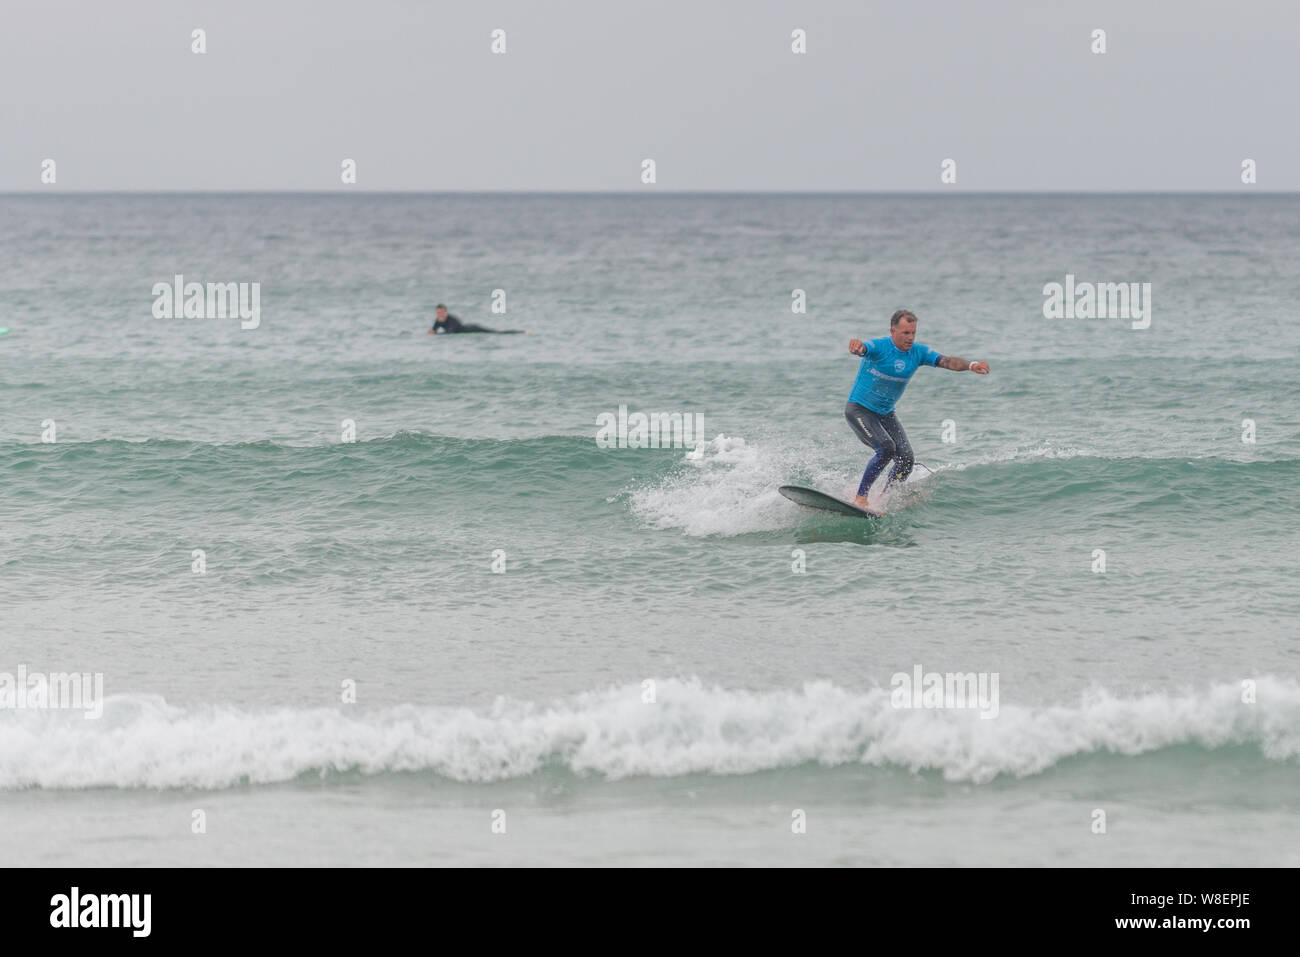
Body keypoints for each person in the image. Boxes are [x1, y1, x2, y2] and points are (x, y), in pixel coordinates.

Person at [846, 309, 989, 511]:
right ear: (892, 331)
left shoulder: (918, 352)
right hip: (859, 410)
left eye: (913, 332)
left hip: (885, 413)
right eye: (905, 333)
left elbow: (947, 361)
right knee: (886, 448)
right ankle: (860, 498)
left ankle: (885, 497)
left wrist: (971, 365)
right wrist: (857, 347)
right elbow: (863, 349)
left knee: (906, 459)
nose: (910, 338)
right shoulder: (879, 347)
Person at [428, 304, 525, 334]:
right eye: (437, 313)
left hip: (473, 328)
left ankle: (521, 332)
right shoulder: (438, 320)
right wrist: (432, 332)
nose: (438, 314)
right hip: (467, 330)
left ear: (446, 312)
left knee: (497, 332)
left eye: (440, 312)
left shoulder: (452, 319)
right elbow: (433, 330)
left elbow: (451, 332)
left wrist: (436, 334)